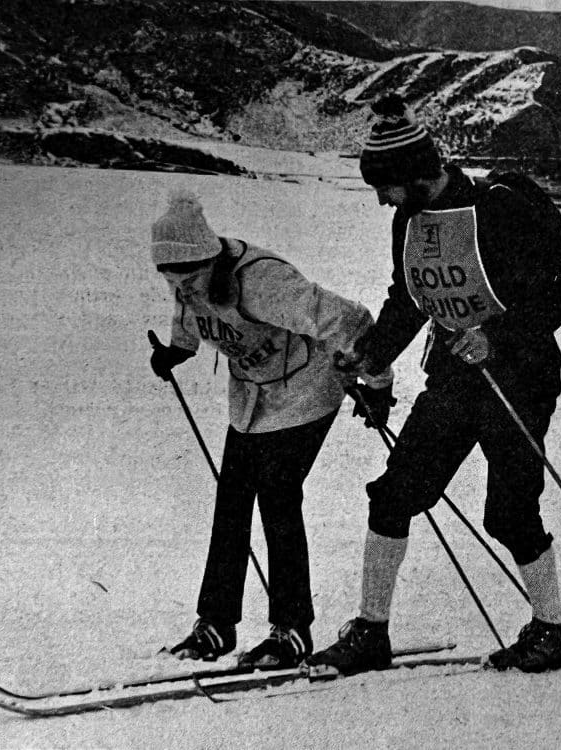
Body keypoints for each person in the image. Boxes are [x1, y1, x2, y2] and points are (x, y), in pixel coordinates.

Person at [305, 93, 561, 675]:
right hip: (454, 375)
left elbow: (553, 294)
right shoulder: (411, 218)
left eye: (386, 186)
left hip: (519, 378)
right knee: (394, 494)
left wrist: (495, 338)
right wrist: (370, 355)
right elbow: (408, 298)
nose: (381, 200)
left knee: (509, 514)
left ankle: (551, 629)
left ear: (412, 173)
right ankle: (370, 632)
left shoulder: (497, 210)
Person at [149, 190, 394, 667]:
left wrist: (377, 381)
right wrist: (178, 351)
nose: (184, 289)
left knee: (278, 494)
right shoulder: (188, 282)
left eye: (190, 277)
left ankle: (291, 631)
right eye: (171, 279)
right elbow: (188, 318)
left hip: (308, 386)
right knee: (233, 498)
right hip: (253, 396)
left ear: (211, 257)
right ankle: (216, 625)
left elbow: (351, 319)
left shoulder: (264, 282)